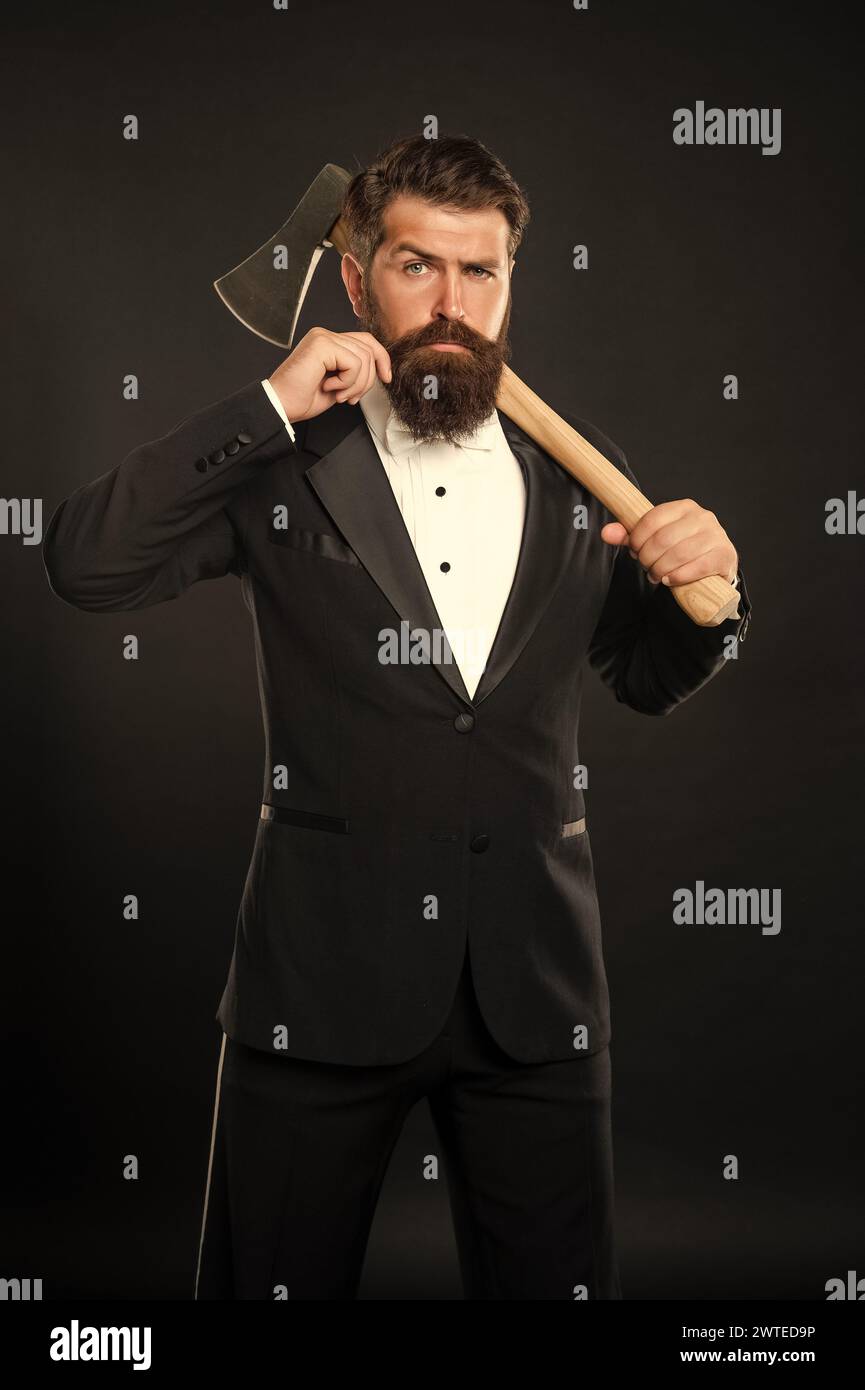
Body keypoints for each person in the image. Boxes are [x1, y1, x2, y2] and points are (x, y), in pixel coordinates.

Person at [42, 133, 751, 1300]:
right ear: (356, 277)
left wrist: (708, 599)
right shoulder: (284, 464)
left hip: (535, 996)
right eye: (420, 266)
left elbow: (643, 672)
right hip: (317, 988)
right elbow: (86, 563)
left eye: (482, 273)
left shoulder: (581, 474)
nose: (454, 304)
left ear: (511, 282)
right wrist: (270, 403)